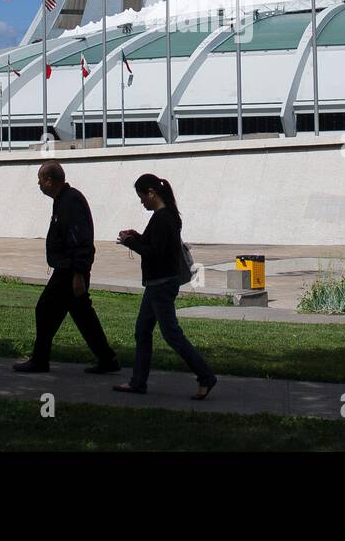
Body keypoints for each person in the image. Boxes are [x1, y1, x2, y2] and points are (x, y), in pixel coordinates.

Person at [114, 173, 216, 400]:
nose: (141, 202)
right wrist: (137, 236)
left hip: (160, 284)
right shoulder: (168, 215)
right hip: (159, 283)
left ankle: (206, 376)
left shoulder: (162, 218)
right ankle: (138, 382)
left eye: (142, 197)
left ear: (151, 192)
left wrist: (129, 242)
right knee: (142, 331)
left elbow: (155, 254)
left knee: (171, 334)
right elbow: (156, 244)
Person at [13, 161, 119, 374]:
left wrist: (79, 274)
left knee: (44, 309)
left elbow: (80, 239)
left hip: (69, 271)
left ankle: (40, 360)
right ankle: (107, 359)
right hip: (70, 269)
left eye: (40, 180)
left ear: (49, 180)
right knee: (82, 315)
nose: (39, 185)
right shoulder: (64, 200)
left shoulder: (70, 201)